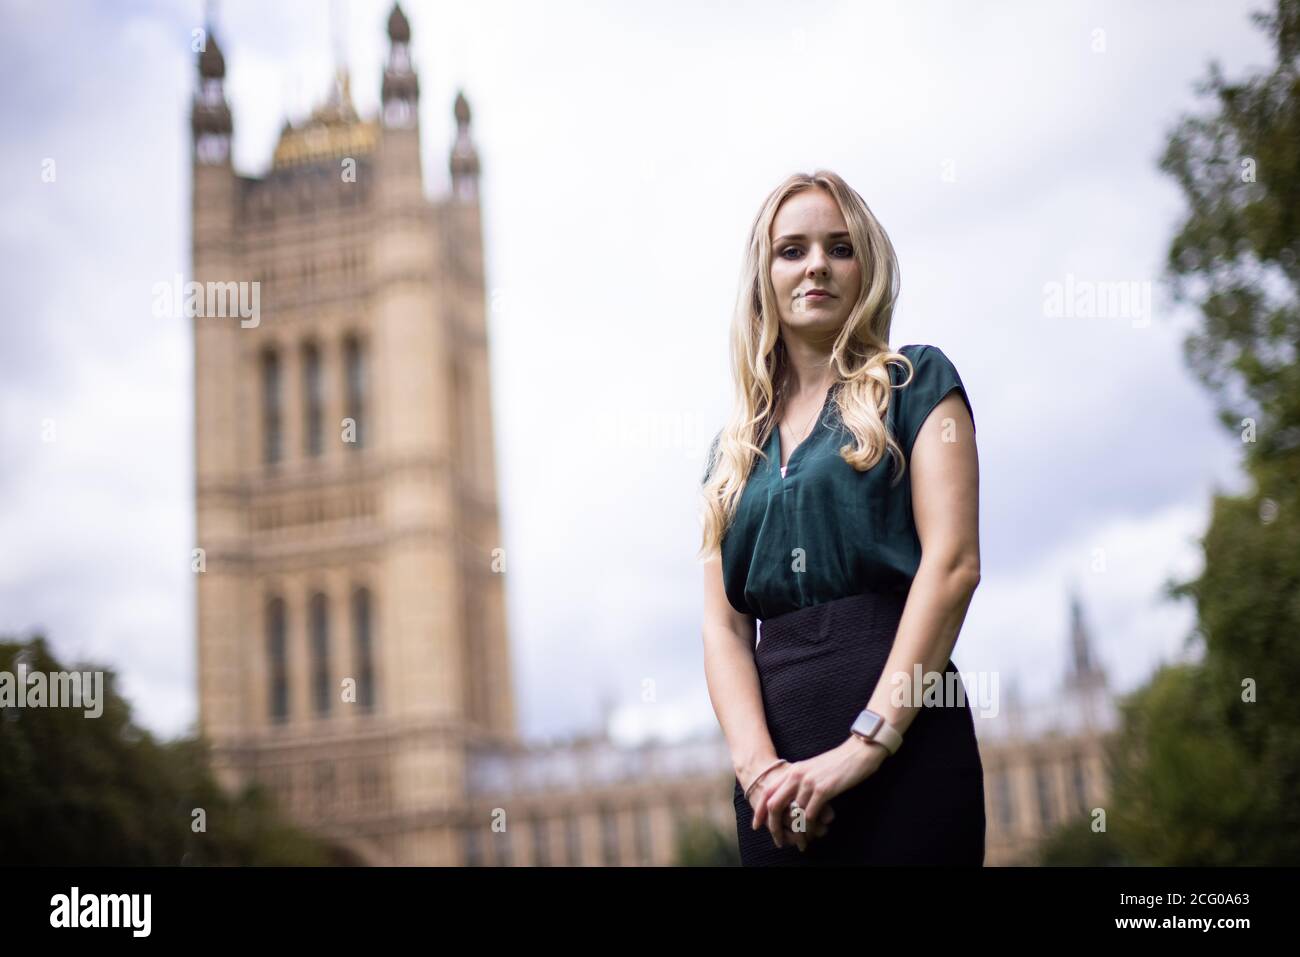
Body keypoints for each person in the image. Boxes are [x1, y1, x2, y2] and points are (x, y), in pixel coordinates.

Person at [699, 170, 985, 865]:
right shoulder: (731, 454)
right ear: (764, 276)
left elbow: (952, 566)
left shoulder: (916, 383)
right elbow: (724, 628)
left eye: (839, 247)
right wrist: (760, 774)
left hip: (907, 752)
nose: (817, 265)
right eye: (792, 250)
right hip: (777, 796)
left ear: (867, 266)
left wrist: (866, 744)